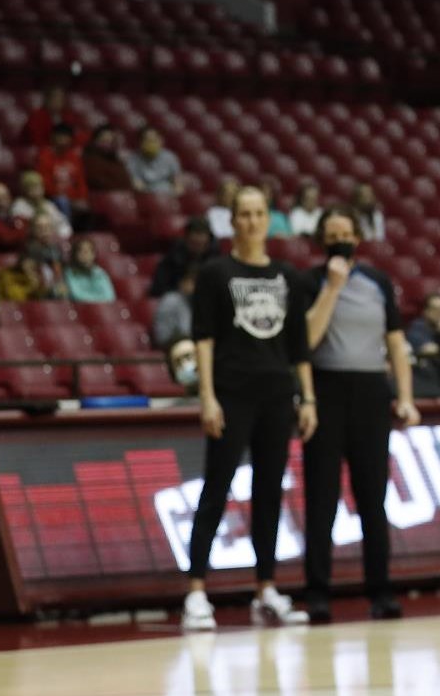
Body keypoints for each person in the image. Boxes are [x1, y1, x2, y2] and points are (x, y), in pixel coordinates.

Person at [181, 186, 316, 632]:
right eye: (245, 214)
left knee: (269, 493)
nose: (253, 221)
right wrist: (206, 396)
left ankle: (266, 589)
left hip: (277, 395)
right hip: (231, 393)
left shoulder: (287, 276)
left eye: (260, 213)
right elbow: (203, 338)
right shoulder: (215, 272)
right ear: (233, 220)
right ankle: (196, 591)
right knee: (216, 488)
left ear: (267, 219)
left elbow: (298, 345)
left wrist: (307, 397)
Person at [299, 205, 419, 623]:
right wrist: (332, 288)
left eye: (345, 234)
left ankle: (381, 591)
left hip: (371, 393)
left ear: (357, 238)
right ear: (321, 241)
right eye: (331, 236)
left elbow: (395, 342)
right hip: (326, 390)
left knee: (373, 499)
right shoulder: (308, 282)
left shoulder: (377, 282)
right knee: (322, 500)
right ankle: (317, 594)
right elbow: (305, 340)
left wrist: (405, 396)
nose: (339, 242)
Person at [150, 218, 216, 299]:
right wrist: (179, 287)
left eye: (201, 243)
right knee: (170, 300)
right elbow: (157, 288)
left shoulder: (216, 260)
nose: (198, 245)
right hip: (179, 298)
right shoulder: (173, 258)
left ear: (209, 241)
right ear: (186, 239)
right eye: (194, 243)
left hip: (207, 300)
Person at [35, 123, 88, 218]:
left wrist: (81, 197)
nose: (63, 140)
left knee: (85, 206)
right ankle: (65, 227)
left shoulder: (74, 158)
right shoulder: (44, 157)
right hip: (53, 198)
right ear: (53, 138)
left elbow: (81, 182)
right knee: (62, 201)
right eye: (60, 136)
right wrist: (67, 198)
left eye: (66, 137)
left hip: (73, 198)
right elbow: (45, 183)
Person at [126, 127, 183, 195]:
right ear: (141, 143)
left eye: (154, 140)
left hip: (168, 195)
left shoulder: (170, 157)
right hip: (146, 195)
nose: (151, 144)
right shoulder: (133, 160)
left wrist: (176, 192)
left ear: (160, 140)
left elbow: (177, 182)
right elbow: (137, 184)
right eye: (148, 141)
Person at [62, 236, 116, 303]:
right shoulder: (69, 273)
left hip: (101, 307)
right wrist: (99, 300)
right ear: (75, 254)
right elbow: (76, 295)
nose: (85, 254)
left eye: (88, 251)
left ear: (94, 254)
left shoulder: (100, 272)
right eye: (81, 251)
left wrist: (96, 302)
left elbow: (110, 297)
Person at [83, 124, 134, 193]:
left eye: (111, 140)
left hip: (124, 195)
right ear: (95, 141)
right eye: (104, 139)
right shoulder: (90, 159)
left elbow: (127, 181)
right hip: (103, 196)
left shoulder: (116, 160)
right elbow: (98, 181)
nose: (108, 143)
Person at [154, 270, 198, 350]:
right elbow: (163, 336)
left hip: (187, 343)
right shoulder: (171, 300)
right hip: (171, 346)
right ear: (182, 282)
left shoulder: (192, 301)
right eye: (192, 282)